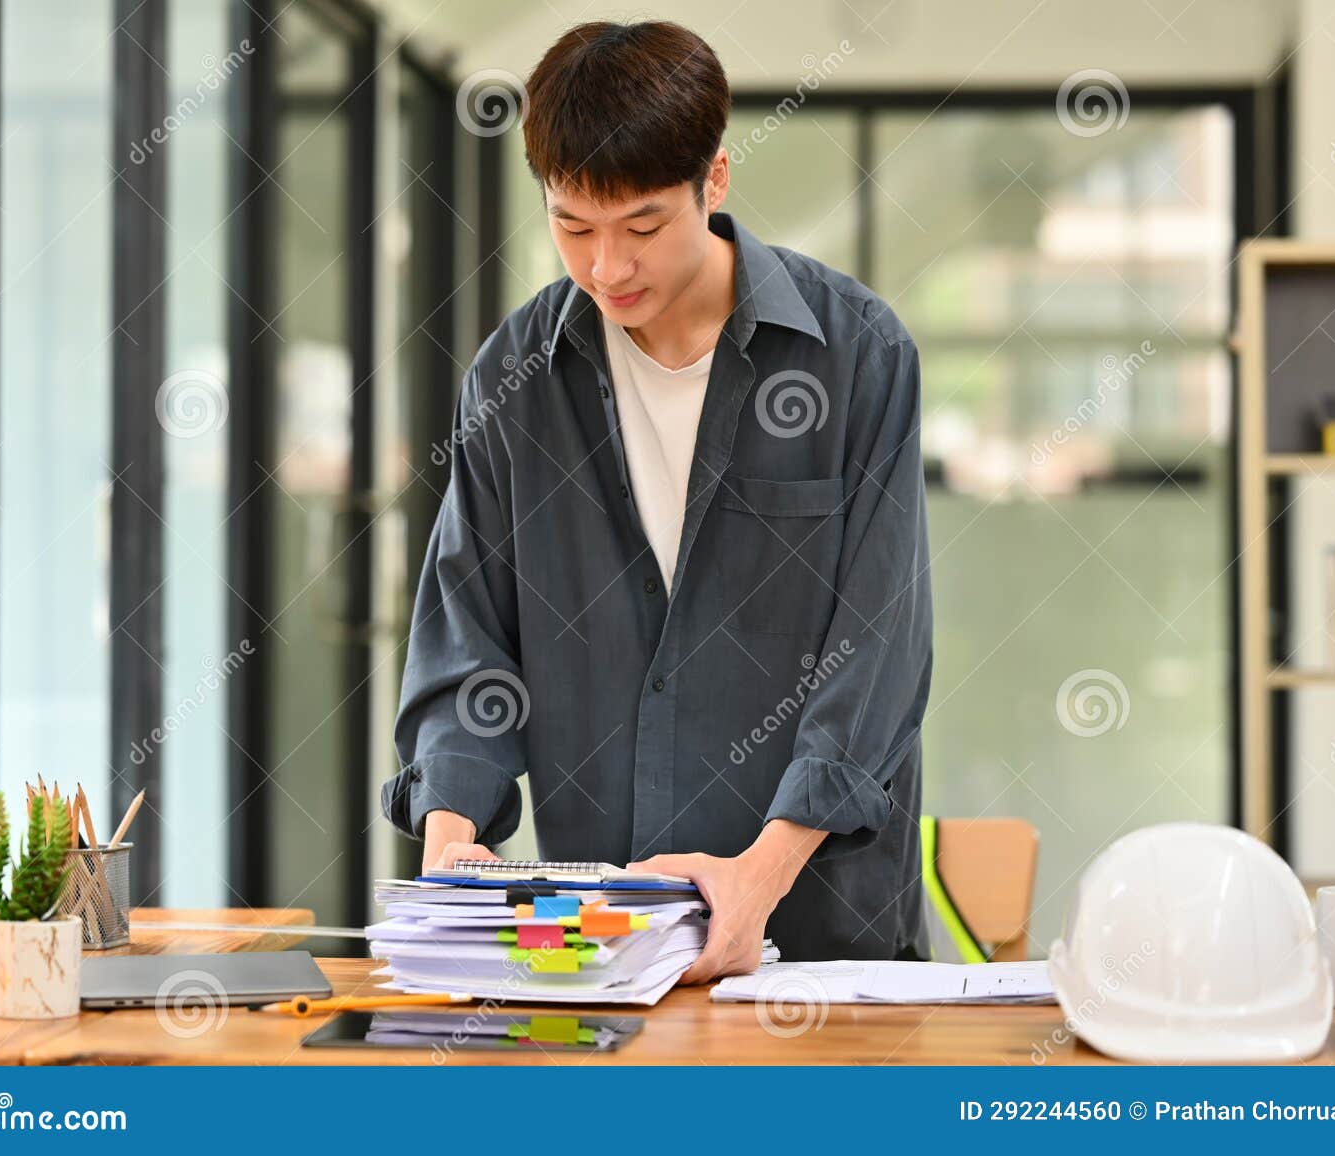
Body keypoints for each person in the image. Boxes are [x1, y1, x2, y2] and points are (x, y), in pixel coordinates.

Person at [382, 19, 932, 981]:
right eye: (572, 226)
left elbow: (880, 648)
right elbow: (468, 629)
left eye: (641, 226)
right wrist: (452, 830)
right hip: (596, 947)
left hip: (816, 939)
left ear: (713, 182)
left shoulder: (858, 355)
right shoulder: (518, 377)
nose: (607, 268)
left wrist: (761, 872)